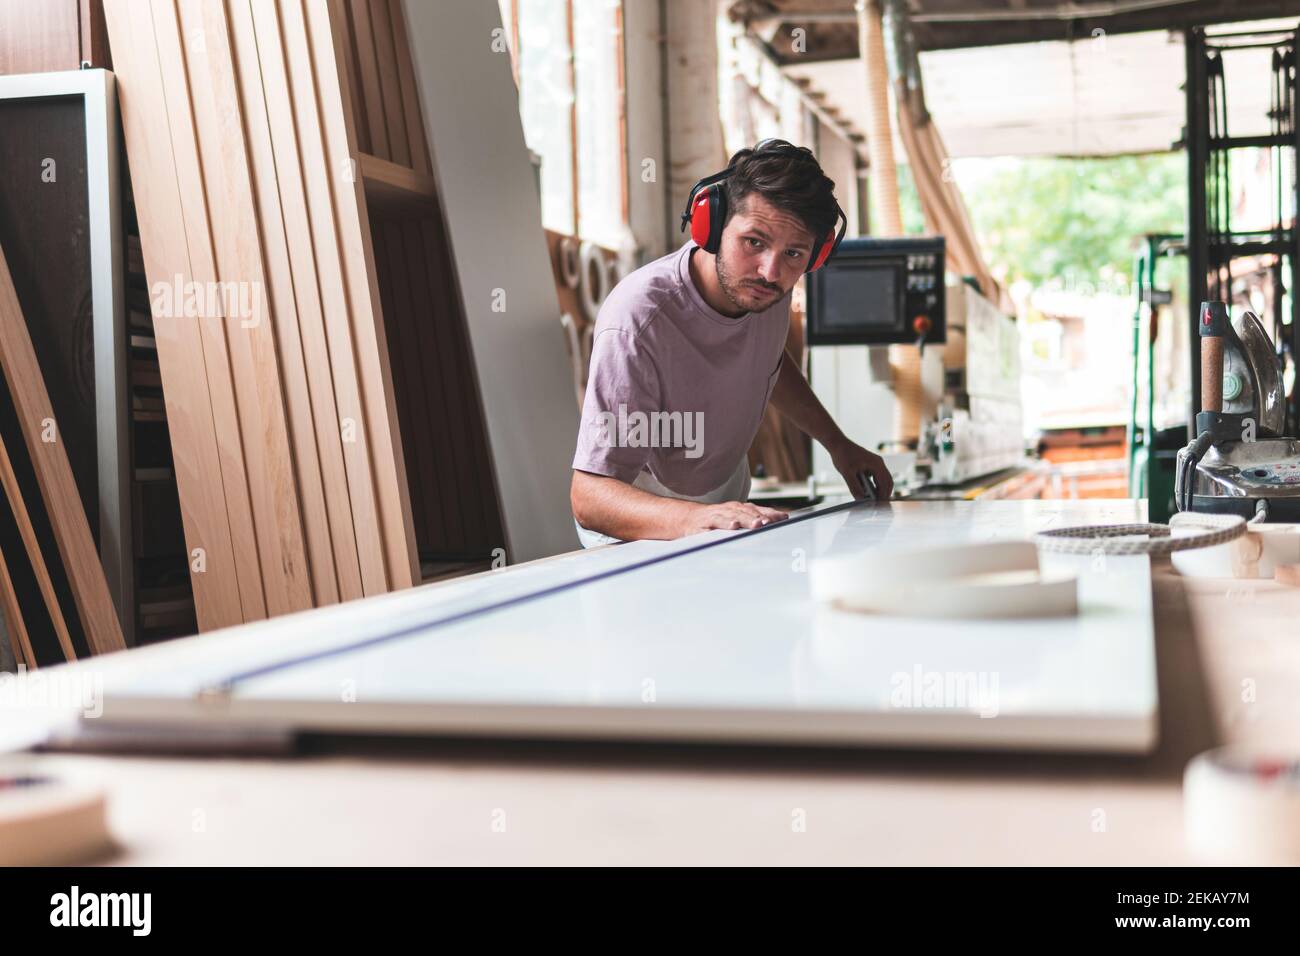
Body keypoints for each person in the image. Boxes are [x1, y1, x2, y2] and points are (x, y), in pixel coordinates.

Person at [570, 139, 892, 547]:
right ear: (714, 223)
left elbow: (769, 363)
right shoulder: (638, 322)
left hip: (722, 514)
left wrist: (839, 445)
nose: (770, 271)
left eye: (794, 253)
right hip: (638, 529)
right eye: (753, 242)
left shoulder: (764, 291)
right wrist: (698, 517)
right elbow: (590, 497)